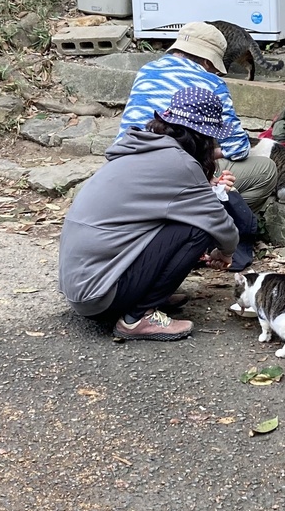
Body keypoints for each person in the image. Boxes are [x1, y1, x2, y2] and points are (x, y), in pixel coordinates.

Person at [59, 87, 239, 341]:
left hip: (82, 286)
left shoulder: (140, 148)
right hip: (99, 294)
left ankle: (144, 294)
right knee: (198, 229)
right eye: (212, 139)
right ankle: (137, 317)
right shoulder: (180, 165)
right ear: (201, 137)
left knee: (181, 221)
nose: (215, 146)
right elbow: (222, 226)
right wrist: (225, 252)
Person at [115, 21, 278, 212]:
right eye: (215, 68)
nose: (216, 72)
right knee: (266, 170)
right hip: (170, 175)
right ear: (208, 62)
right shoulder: (211, 82)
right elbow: (238, 149)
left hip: (122, 164)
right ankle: (219, 218)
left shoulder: (146, 70)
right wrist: (206, 153)